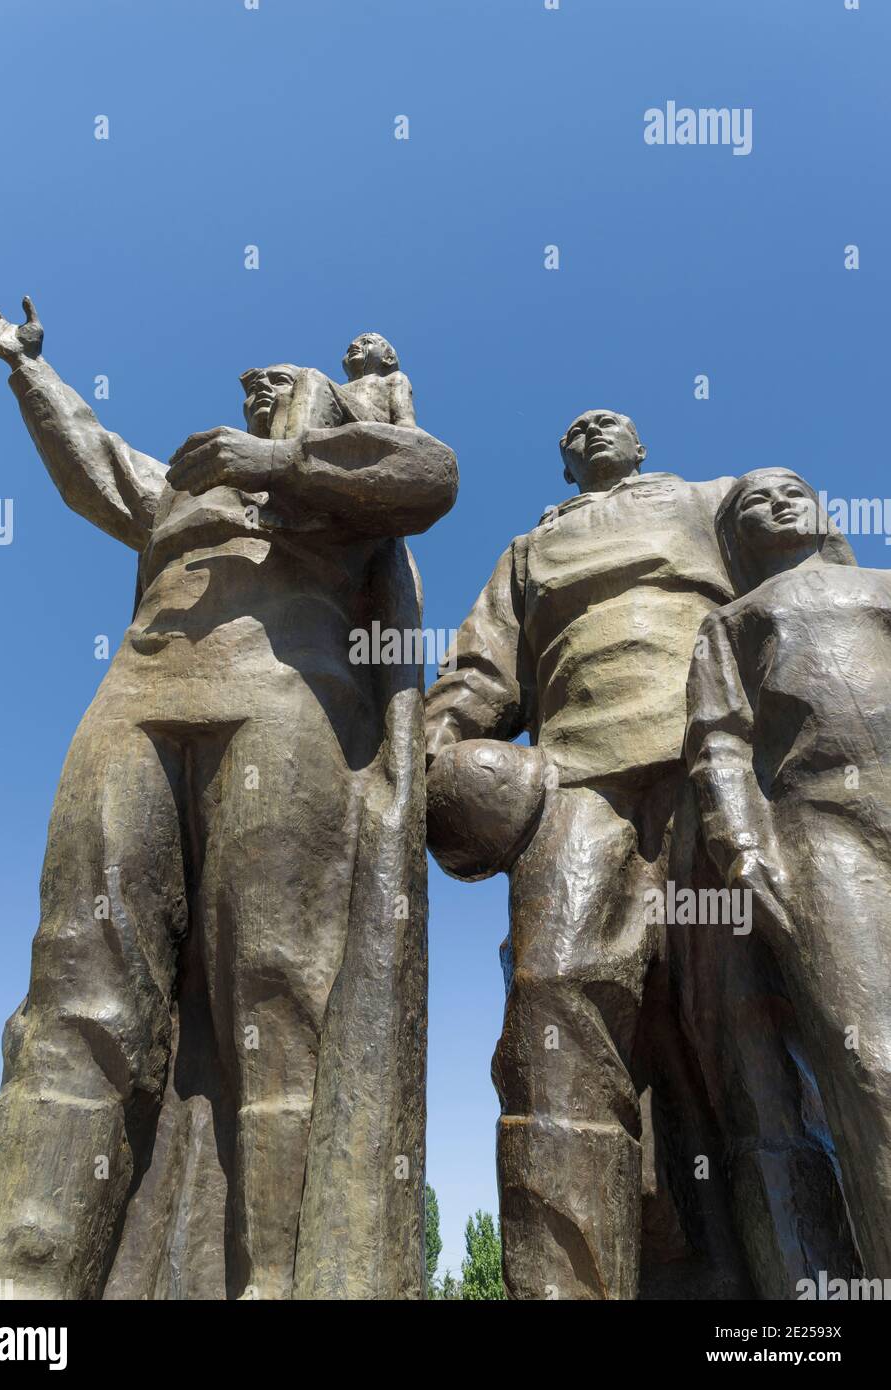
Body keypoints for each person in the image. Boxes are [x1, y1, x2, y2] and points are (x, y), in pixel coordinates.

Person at [0, 282, 457, 1300]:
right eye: (249, 386)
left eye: (279, 379)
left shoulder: (341, 487)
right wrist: (29, 365)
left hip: (284, 703)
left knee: (279, 986)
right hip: (136, 699)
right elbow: (94, 462)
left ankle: (279, 1280)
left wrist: (280, 462)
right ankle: (12, 1294)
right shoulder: (183, 493)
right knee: (78, 979)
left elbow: (431, 474)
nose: (254, 388)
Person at [425, 409, 737, 1299]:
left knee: (745, 1017)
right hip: (576, 786)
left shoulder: (712, 504)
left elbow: (797, 603)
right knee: (554, 1006)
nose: (595, 427)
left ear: (641, 446)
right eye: (576, 429)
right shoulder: (529, 554)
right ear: (564, 466)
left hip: (713, 767)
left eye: (612, 422)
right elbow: (480, 676)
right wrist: (430, 754)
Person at [685, 466, 891, 1279]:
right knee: (870, 1056)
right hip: (816, 828)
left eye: (792, 488)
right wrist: (740, 844)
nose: (776, 499)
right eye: (751, 498)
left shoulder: (880, 584)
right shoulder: (730, 621)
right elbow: (718, 738)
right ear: (734, 535)